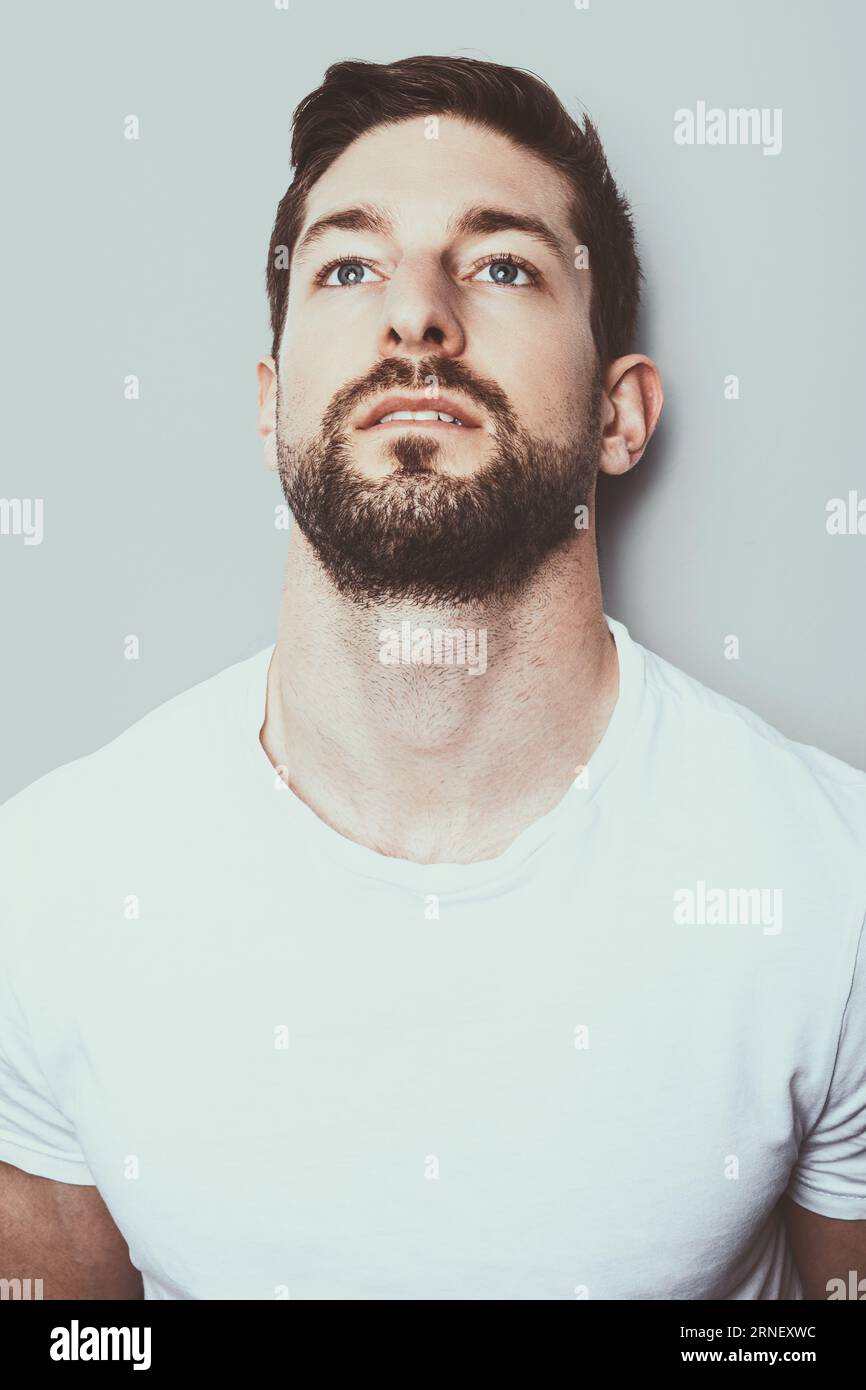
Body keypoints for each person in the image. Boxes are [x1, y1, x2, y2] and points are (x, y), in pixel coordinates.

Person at [1, 55, 864, 1302]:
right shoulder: (48, 891)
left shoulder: (827, 892)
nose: (415, 315)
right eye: (347, 267)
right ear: (267, 406)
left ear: (620, 416)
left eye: (501, 264)